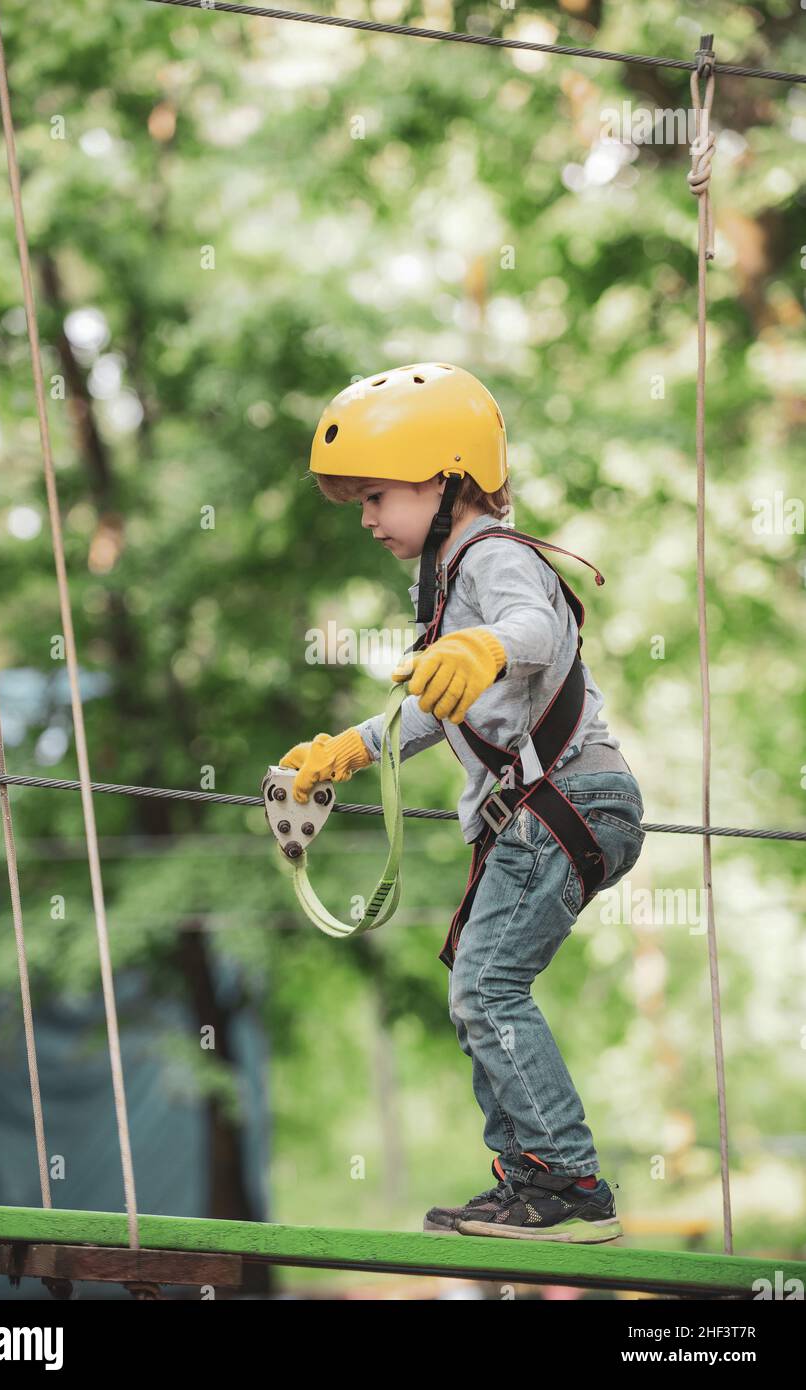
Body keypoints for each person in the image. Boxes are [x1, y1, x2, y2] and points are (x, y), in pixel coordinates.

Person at [279, 362, 645, 1243]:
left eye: (376, 496)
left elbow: (532, 631)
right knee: (478, 988)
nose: (366, 519)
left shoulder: (491, 556)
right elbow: (443, 705)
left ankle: (568, 1185)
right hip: (553, 807)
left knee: (488, 985)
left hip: (572, 799)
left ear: (442, 478)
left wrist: (481, 645)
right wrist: (354, 750)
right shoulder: (448, 577)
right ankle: (529, 1180)